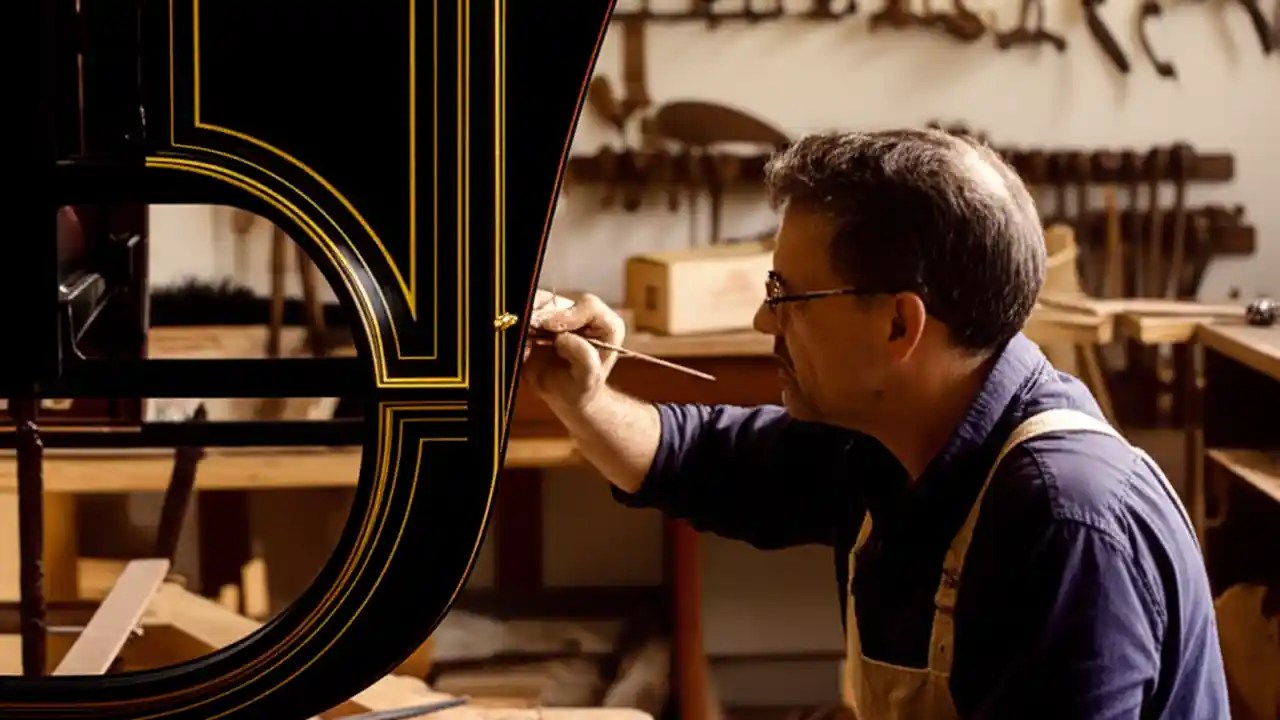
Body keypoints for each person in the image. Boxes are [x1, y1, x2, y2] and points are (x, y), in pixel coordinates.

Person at [521, 129, 1229, 719]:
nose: (764, 320)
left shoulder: (1064, 522)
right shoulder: (890, 439)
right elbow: (700, 459)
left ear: (898, 325)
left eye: (785, 295)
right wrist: (582, 398)